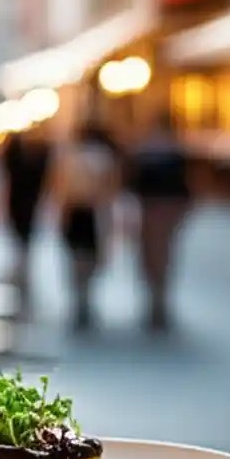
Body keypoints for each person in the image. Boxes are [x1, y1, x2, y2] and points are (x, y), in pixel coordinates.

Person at [50, 121, 120, 330]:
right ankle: (84, 296)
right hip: (90, 211)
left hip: (78, 210)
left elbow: (59, 186)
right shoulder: (100, 156)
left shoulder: (70, 155)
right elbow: (112, 187)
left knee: (77, 257)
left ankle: (80, 296)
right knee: (89, 258)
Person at [129, 112, 192, 331]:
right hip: (156, 209)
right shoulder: (159, 153)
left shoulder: (159, 153)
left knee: (157, 255)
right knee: (156, 255)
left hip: (160, 209)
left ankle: (158, 300)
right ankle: (156, 300)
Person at [1, 123, 53, 317]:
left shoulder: (40, 155)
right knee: (20, 242)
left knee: (26, 242)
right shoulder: (16, 154)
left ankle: (24, 273)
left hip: (30, 204)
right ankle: (21, 273)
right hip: (18, 203)